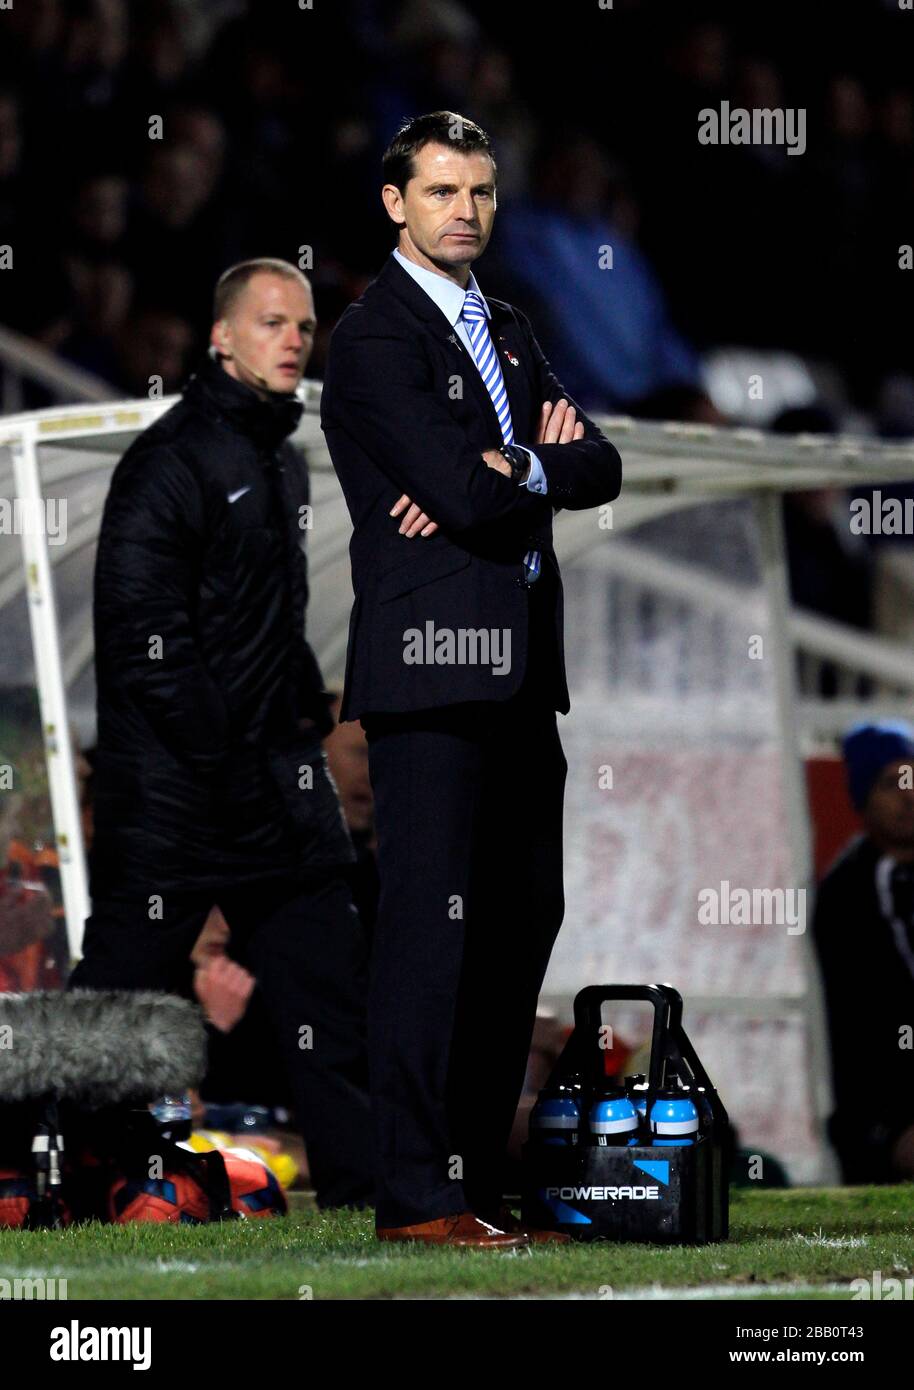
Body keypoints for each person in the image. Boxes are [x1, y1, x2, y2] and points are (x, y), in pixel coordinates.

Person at [321, 111, 622, 1247]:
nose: (466, 210)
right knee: (427, 931)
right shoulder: (372, 338)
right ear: (395, 202)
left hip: (519, 670)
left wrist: (519, 465)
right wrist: (498, 474)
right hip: (429, 672)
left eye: (482, 191)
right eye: (443, 190)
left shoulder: (505, 322)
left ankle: (467, 1181)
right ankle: (413, 1195)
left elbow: (600, 461)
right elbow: (460, 491)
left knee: (516, 919)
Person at [68, 258, 374, 1209]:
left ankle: (375, 1196)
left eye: (304, 324)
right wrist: (230, 763)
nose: (294, 340)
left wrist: (299, 718)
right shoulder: (168, 462)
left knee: (331, 987)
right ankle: (46, 1170)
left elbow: (269, 630)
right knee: (115, 1009)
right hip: (174, 802)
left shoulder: (280, 460)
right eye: (273, 322)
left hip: (268, 795)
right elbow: (144, 642)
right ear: (222, 337)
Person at [813, 720, 914, 1184]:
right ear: (863, 798)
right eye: (892, 783)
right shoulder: (850, 891)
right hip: (883, 1119)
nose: (909, 795)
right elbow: (867, 1026)